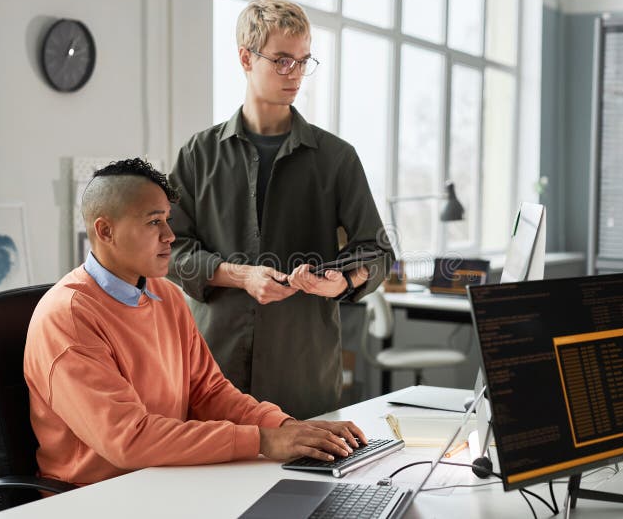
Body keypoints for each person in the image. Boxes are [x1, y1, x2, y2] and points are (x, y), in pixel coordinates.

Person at [23, 158, 366, 487]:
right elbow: (128, 438)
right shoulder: (67, 317)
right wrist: (262, 440)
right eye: (154, 221)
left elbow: (209, 392)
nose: (170, 235)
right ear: (105, 230)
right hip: (95, 497)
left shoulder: (166, 295)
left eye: (168, 220)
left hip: (164, 479)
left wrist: (288, 428)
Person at [168, 0, 392, 419]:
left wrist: (341, 282)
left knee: (308, 486)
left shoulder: (336, 158)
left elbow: (378, 251)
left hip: (304, 377)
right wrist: (240, 276)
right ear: (245, 58)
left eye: (305, 61)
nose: (297, 74)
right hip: (213, 372)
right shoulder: (198, 154)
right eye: (283, 61)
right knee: (210, 486)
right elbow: (169, 250)